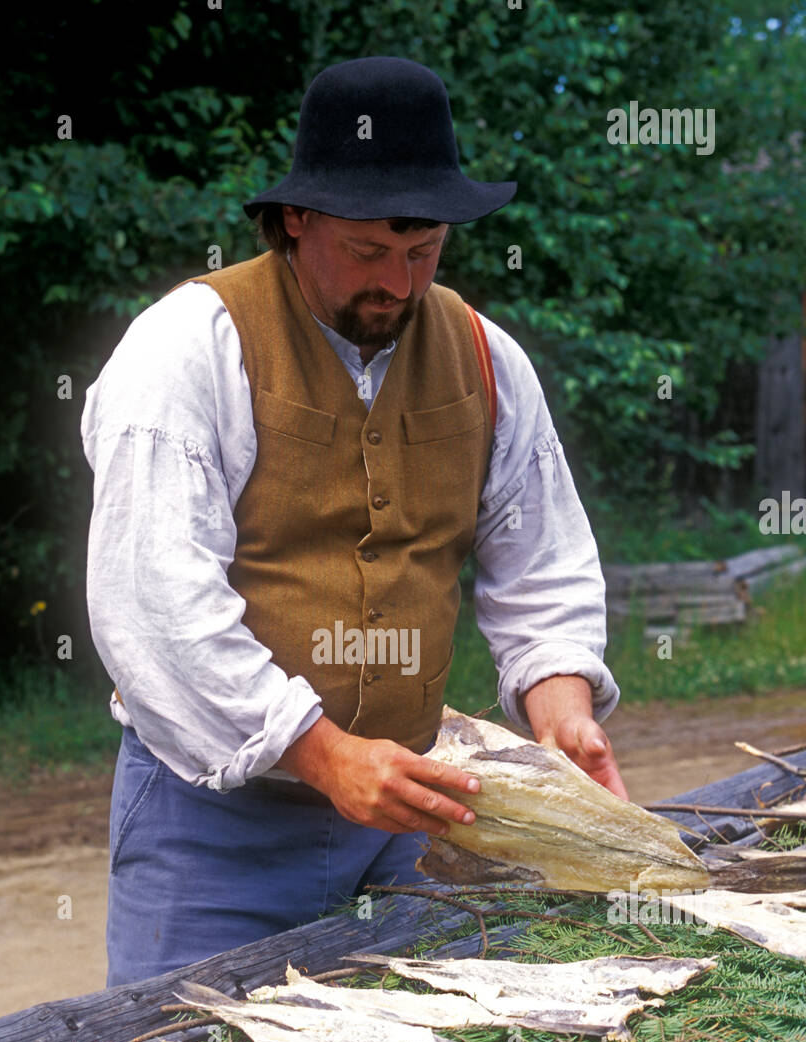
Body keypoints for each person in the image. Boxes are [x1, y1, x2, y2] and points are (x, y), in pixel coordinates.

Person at [82, 56, 628, 987]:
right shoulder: (187, 349)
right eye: (370, 253)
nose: (400, 285)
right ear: (298, 219)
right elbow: (154, 606)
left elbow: (542, 565)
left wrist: (562, 711)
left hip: (415, 827)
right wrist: (324, 754)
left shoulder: (486, 359)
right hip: (214, 833)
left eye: (423, 254)